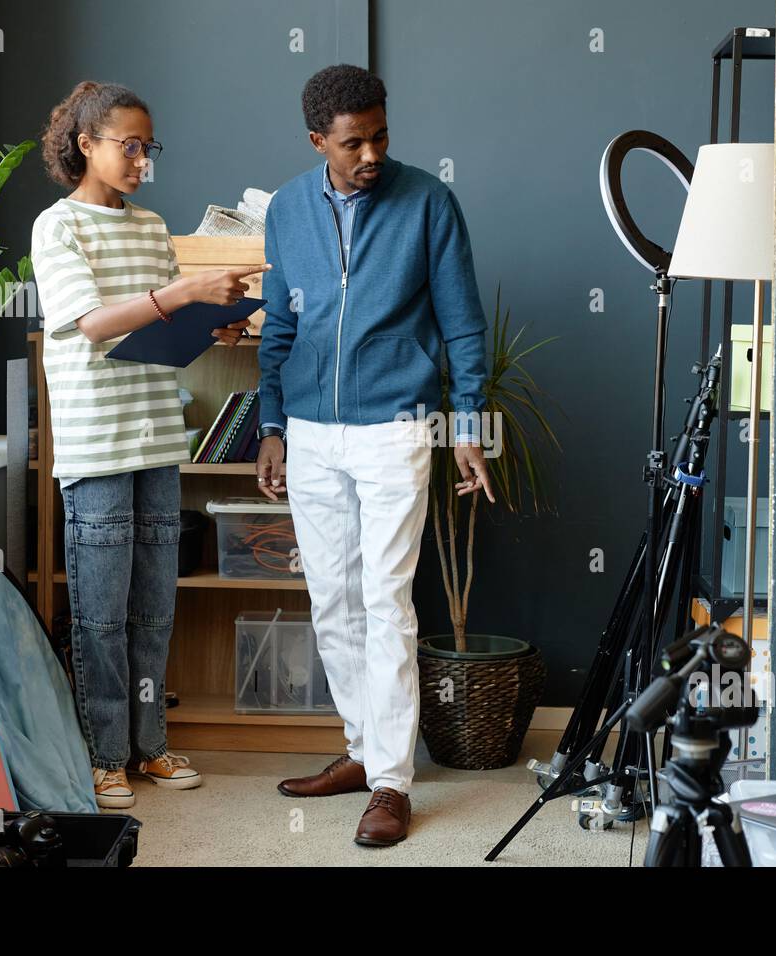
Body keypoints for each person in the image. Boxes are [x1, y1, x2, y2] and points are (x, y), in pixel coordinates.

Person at [239, 64, 495, 846]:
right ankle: (360, 747)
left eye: (381, 135)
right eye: (355, 142)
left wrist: (468, 427)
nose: (373, 154)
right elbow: (279, 328)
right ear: (319, 140)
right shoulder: (286, 210)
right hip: (312, 431)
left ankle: (390, 780)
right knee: (332, 602)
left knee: (386, 602)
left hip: (396, 426)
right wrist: (272, 426)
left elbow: (462, 325)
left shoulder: (427, 203)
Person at [32, 80, 269, 809]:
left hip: (157, 438)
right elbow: (95, 324)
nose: (141, 160)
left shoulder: (150, 226)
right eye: (128, 146)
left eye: (147, 147)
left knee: (153, 609)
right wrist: (189, 294)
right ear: (86, 145)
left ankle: (151, 745)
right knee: (100, 614)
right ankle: (106, 757)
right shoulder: (58, 227)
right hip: (97, 446)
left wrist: (215, 329)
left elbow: (161, 340)